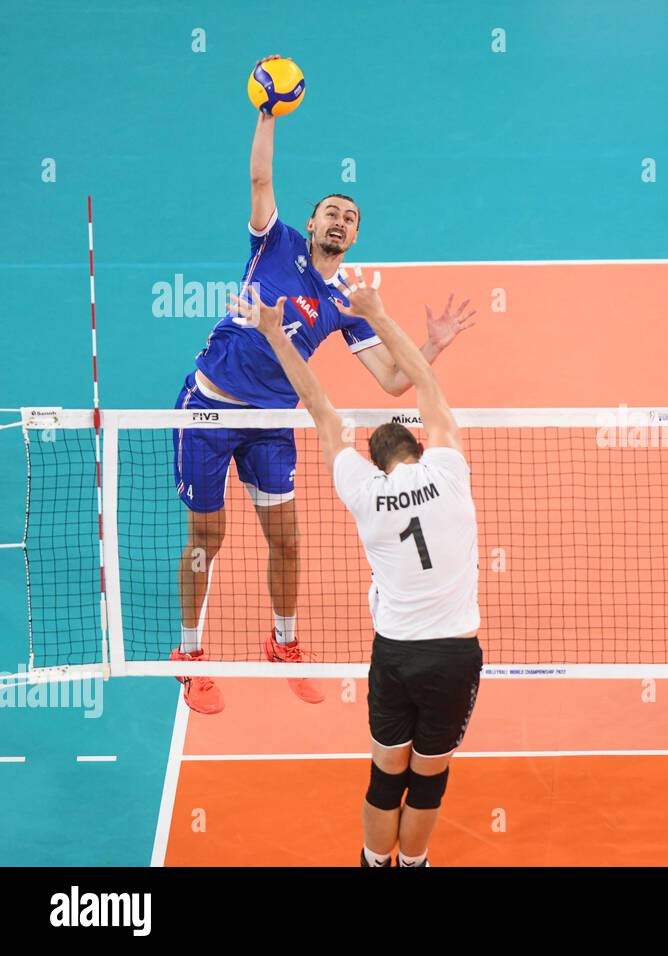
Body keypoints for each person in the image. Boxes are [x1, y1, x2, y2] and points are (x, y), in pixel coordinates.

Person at [170, 84, 472, 714]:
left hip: (273, 422)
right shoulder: (272, 242)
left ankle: (283, 644)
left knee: (288, 539)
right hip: (208, 407)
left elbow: (393, 381)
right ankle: (190, 654)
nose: (338, 220)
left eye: (350, 217)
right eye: (330, 211)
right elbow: (259, 177)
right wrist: (266, 114)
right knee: (208, 536)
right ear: (310, 224)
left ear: (355, 238)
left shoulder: (346, 303)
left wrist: (432, 344)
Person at [233, 272, 481, 868]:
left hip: (394, 653)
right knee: (428, 778)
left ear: (373, 462)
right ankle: (414, 866)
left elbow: (319, 406)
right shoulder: (449, 473)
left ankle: (374, 862)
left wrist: (276, 333)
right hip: (452, 655)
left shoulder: (363, 492)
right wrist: (380, 314)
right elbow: (427, 387)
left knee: (385, 775)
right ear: (419, 450)